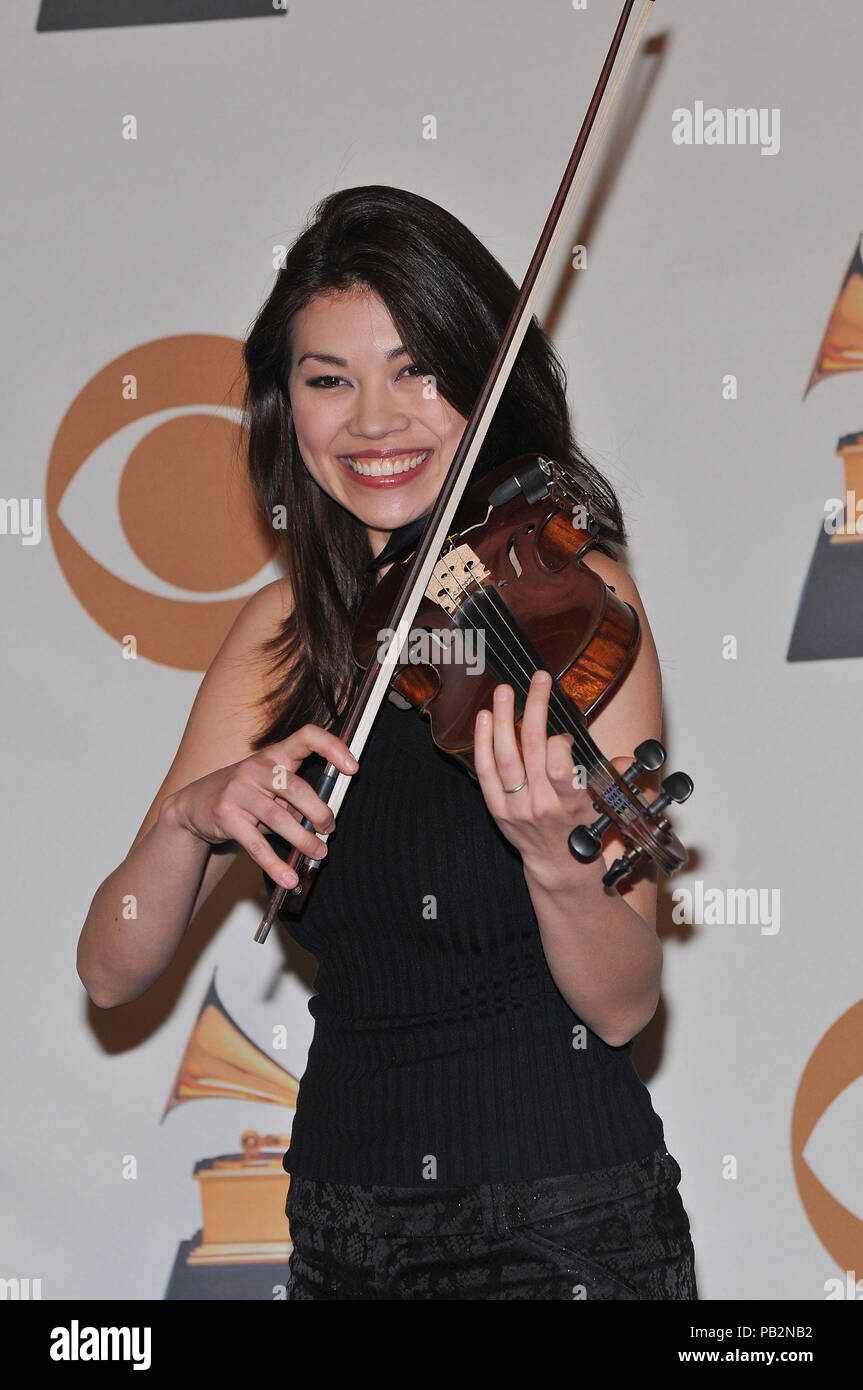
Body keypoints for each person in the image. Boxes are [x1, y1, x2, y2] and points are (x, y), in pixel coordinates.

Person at [77, 184, 698, 1301]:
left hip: (558, 1226)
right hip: (338, 1233)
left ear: (481, 376)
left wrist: (557, 859)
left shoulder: (567, 603)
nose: (373, 420)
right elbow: (111, 969)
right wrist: (187, 817)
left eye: (416, 369)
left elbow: (621, 1003)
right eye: (329, 381)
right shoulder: (281, 633)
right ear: (286, 408)